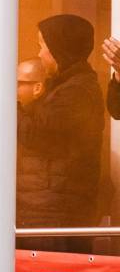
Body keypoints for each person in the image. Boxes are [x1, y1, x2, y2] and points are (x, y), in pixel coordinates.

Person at [18, 14, 104, 251]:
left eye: (43, 46)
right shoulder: (66, 87)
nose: (39, 55)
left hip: (53, 216)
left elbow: (36, 134)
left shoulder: (77, 92)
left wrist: (9, 104)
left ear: (60, 49)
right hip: (48, 211)